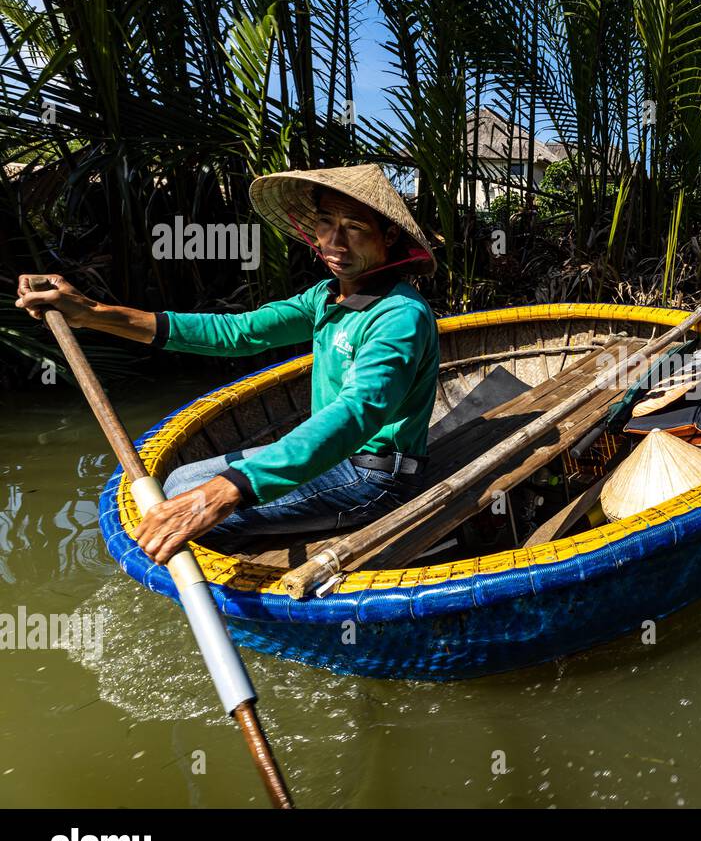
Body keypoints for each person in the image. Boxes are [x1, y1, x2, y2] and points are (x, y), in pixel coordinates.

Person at [16, 164, 442, 564]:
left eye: (354, 228)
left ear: (388, 238)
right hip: (334, 459)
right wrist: (90, 312)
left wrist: (227, 492)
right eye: (326, 223)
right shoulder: (326, 296)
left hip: (374, 478)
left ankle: (256, 578)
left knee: (197, 518)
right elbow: (237, 333)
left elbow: (358, 412)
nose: (334, 243)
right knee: (179, 483)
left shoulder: (398, 315)